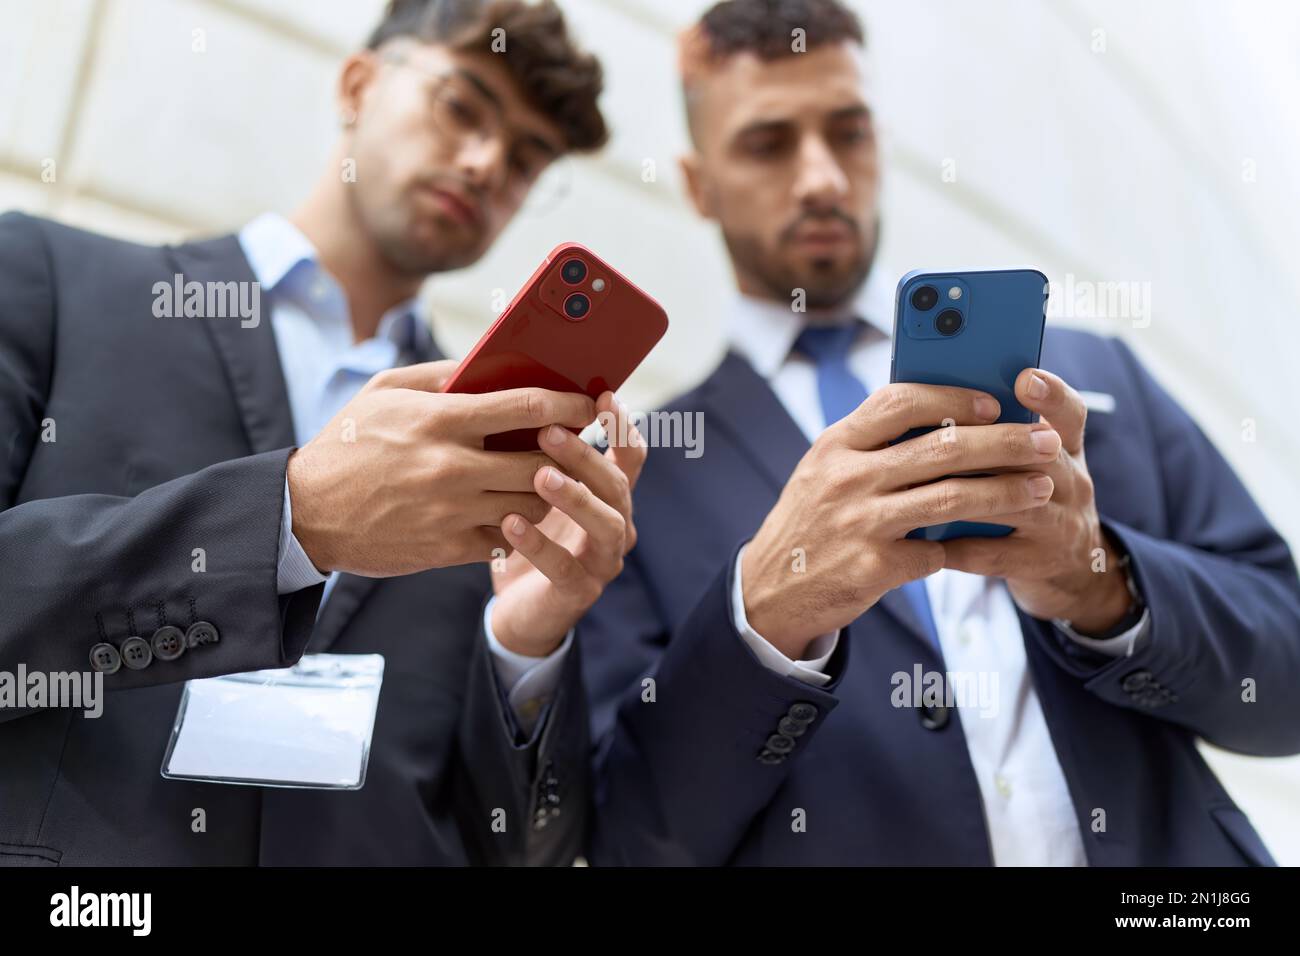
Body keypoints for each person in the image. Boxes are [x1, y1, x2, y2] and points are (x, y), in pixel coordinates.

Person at [577, 0, 1300, 865]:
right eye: (768, 144)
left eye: (847, 132)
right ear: (698, 185)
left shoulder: (1089, 374)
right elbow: (636, 835)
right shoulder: (640, 472)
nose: (821, 179)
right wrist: (764, 622)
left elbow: (1286, 683)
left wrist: (1097, 581)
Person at [0, 0, 640, 866]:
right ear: (358, 83)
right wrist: (287, 521)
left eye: (528, 158)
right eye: (462, 105)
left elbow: (530, 848)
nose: (488, 162)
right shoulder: (50, 280)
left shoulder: (502, 446)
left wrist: (522, 645)